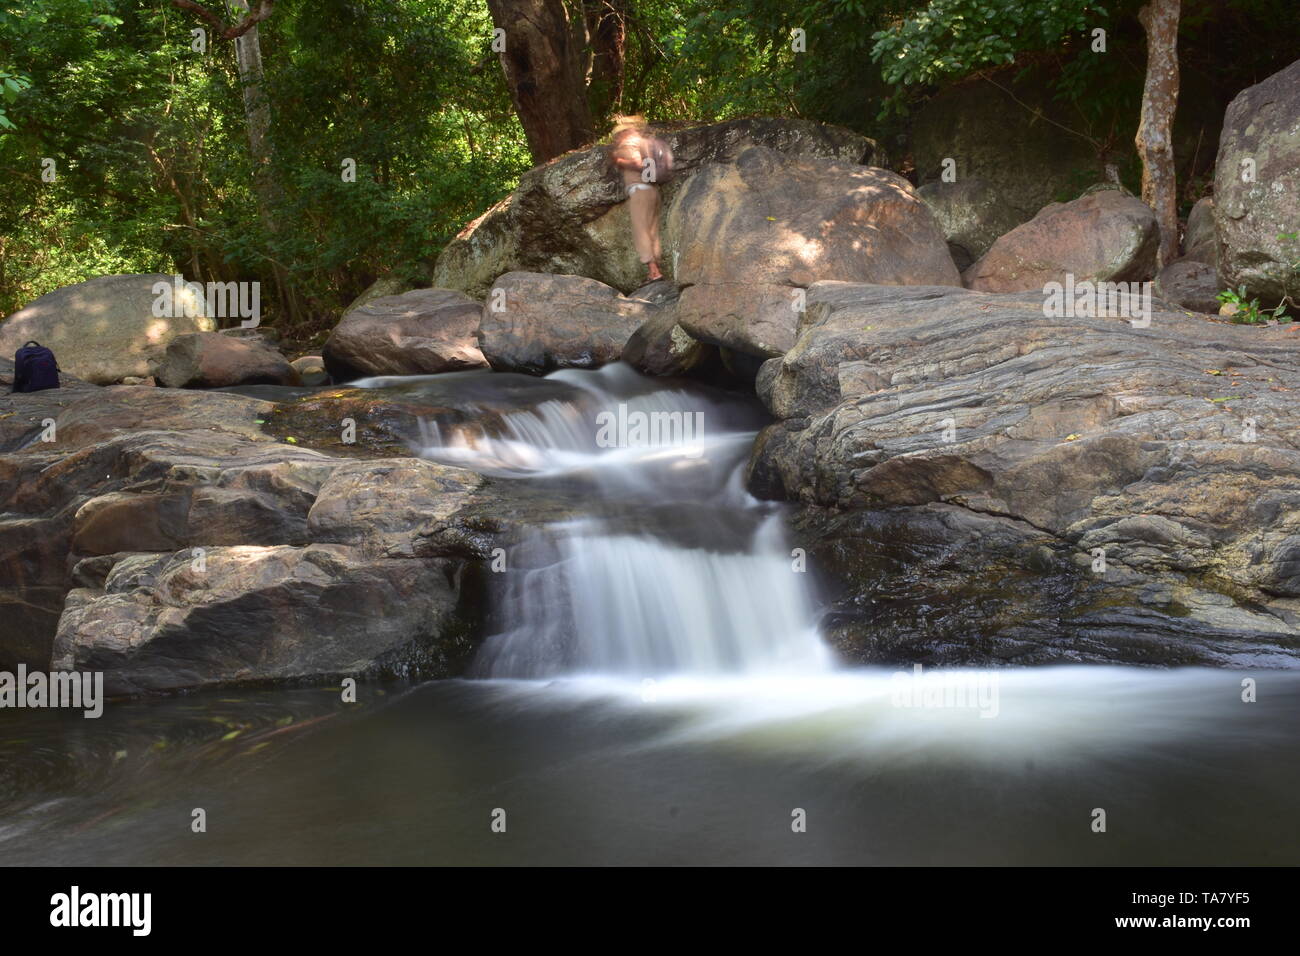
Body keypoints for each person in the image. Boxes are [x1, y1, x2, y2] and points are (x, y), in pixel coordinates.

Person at [608, 115, 664, 282]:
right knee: (652, 231)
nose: (617, 137)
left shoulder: (629, 144)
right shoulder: (646, 143)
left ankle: (654, 271)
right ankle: (655, 269)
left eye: (619, 134)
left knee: (641, 231)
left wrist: (620, 160)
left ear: (626, 131)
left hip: (639, 192)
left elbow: (637, 162)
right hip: (652, 191)